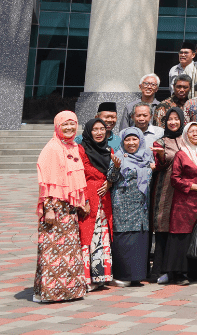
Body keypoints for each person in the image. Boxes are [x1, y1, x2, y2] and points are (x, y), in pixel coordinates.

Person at [34, 111, 90, 303]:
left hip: (69, 209)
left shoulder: (73, 146)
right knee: (52, 252)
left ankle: (70, 291)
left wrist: (82, 201)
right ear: (57, 126)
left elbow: (76, 177)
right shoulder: (52, 148)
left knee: (69, 252)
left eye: (72, 124)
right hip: (55, 209)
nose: (69, 128)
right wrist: (48, 208)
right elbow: (46, 181)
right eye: (64, 125)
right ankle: (50, 292)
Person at [166, 121, 197, 284]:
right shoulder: (182, 154)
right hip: (185, 202)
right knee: (182, 236)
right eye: (191, 131)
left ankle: (195, 271)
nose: (195, 134)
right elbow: (175, 179)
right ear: (186, 135)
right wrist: (195, 187)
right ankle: (178, 273)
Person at [78, 117, 120, 290]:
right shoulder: (81, 149)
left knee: (103, 237)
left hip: (104, 201)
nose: (99, 132)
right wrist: (84, 200)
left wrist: (112, 177)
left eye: (102, 129)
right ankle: (86, 279)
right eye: (95, 129)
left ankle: (101, 277)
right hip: (89, 198)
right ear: (89, 131)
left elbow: (112, 177)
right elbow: (79, 175)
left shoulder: (109, 150)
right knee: (87, 237)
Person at [111, 128, 153, 287]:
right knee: (124, 238)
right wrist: (115, 167)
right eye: (127, 140)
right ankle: (122, 275)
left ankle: (137, 275)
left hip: (141, 205)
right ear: (122, 141)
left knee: (139, 239)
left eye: (134, 139)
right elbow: (111, 178)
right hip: (123, 204)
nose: (131, 143)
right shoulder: (118, 156)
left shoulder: (147, 156)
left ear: (140, 140)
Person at [151, 107, 185, 283]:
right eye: (170, 119)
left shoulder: (187, 139)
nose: (173, 122)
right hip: (165, 190)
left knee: (180, 229)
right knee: (164, 228)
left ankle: (179, 271)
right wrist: (162, 157)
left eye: (176, 119)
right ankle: (159, 270)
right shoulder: (160, 142)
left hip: (185, 191)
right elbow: (159, 165)